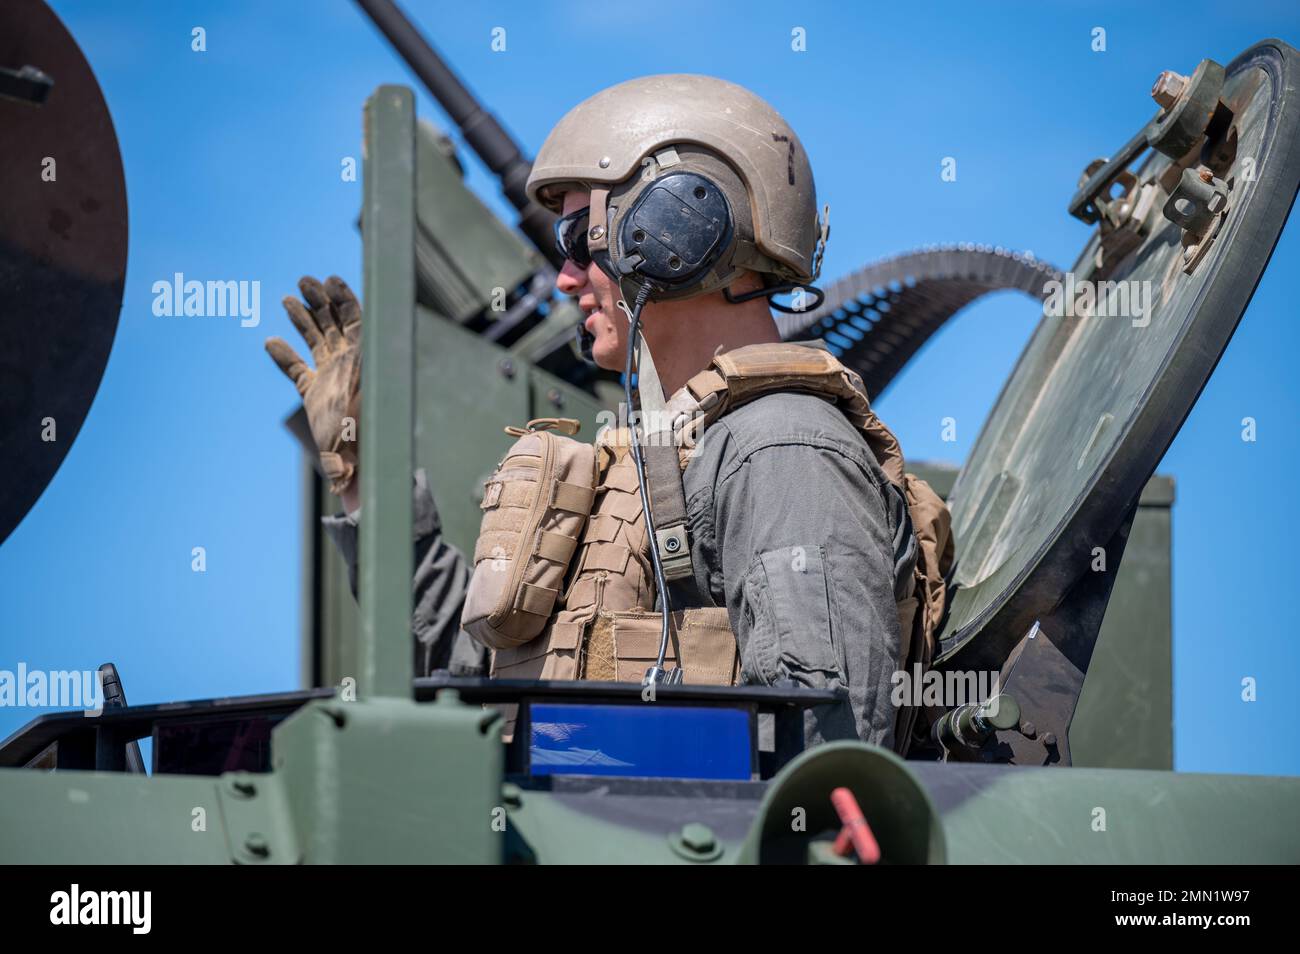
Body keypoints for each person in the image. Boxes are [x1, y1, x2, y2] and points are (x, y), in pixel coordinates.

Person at [266, 75, 920, 749]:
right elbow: (483, 683)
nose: (564, 277)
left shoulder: (781, 451)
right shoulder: (656, 461)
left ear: (680, 227)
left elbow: (823, 752)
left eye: (580, 239)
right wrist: (362, 475)